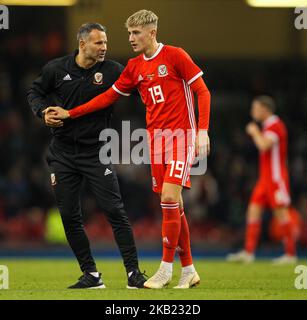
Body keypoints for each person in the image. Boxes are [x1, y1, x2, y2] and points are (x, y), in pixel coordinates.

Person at [45, 9, 211, 289]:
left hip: (181, 137)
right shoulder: (134, 67)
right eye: (129, 33)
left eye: (136, 33)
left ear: (152, 33)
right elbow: (107, 97)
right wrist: (71, 113)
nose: (131, 38)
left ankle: (164, 268)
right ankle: (189, 269)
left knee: (169, 199)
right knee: (175, 207)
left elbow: (202, 91)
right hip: (156, 143)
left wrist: (203, 132)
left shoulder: (175, 55)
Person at [27, 23, 146, 289]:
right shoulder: (56, 69)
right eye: (98, 43)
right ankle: (90, 274)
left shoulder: (114, 70)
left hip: (97, 152)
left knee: (115, 211)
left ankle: (133, 273)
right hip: (63, 154)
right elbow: (34, 92)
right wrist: (43, 111)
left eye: (105, 43)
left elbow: (142, 88)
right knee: (69, 216)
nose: (104, 48)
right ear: (82, 44)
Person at [227, 96, 300, 264]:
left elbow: (263, 145)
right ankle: (249, 252)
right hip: (265, 179)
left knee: (281, 215)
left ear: (264, 109)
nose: (252, 111)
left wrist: (254, 131)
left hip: (275, 178)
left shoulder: (276, 125)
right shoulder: (268, 126)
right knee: (253, 210)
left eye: (255, 108)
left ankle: (291, 254)